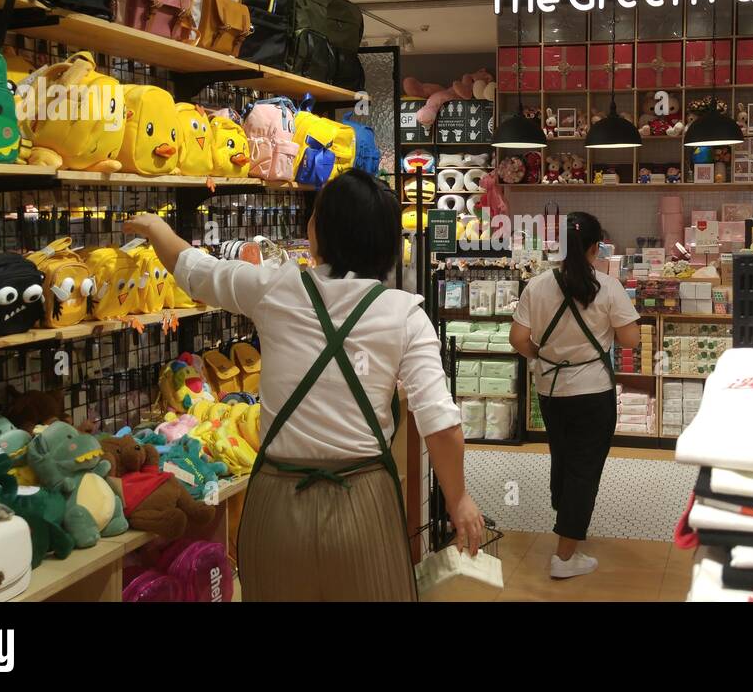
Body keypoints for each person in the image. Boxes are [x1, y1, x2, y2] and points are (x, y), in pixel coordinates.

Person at [123, 168, 483, 601]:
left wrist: (156, 229)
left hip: (277, 505)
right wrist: (458, 501)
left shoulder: (274, 288)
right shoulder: (405, 314)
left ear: (318, 233)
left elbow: (195, 270)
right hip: (364, 503)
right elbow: (440, 423)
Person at [509, 212, 640, 578]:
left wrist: (543, 355)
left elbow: (518, 339)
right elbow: (631, 339)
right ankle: (564, 557)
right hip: (593, 391)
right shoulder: (608, 287)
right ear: (596, 248)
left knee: (563, 457)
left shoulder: (537, 285)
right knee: (585, 469)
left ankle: (566, 515)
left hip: (550, 389)